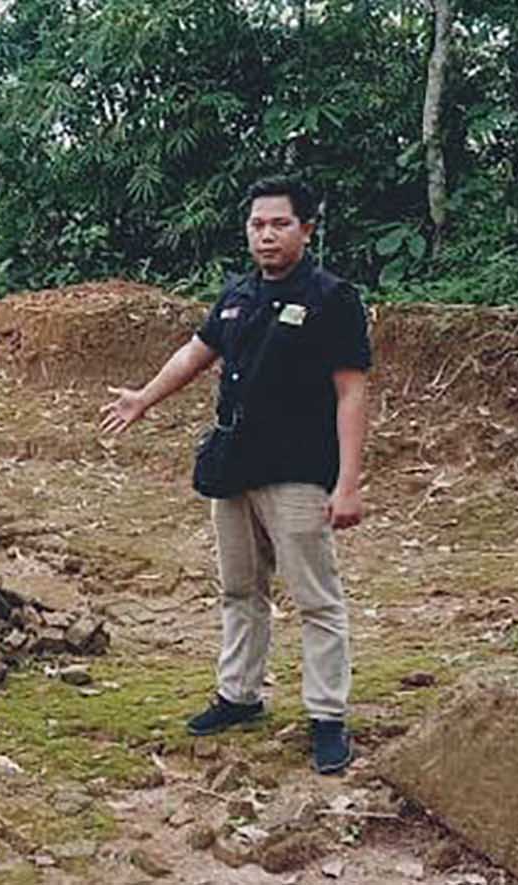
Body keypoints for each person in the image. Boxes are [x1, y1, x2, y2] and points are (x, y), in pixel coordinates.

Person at [100, 176, 371, 775]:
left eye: (279, 223)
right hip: (234, 465)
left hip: (299, 469)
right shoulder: (237, 295)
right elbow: (197, 353)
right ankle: (239, 696)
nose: (266, 234)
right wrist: (144, 398)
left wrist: (348, 481)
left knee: (316, 599)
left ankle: (327, 717)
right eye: (257, 224)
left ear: (307, 229)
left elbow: (351, 392)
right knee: (239, 590)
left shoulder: (332, 298)